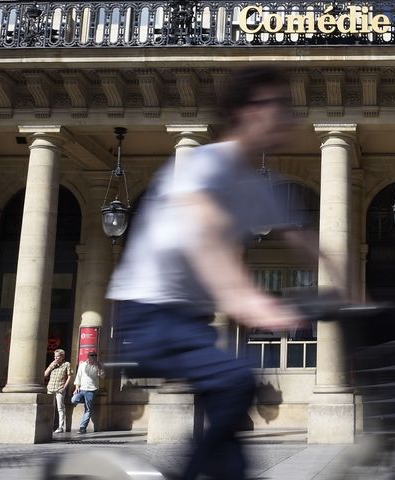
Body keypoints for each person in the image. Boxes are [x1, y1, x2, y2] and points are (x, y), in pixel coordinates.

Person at [106, 67, 312, 480]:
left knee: (231, 443)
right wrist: (242, 297)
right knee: (236, 380)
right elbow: (205, 230)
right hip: (150, 313)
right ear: (246, 110)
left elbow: (307, 241)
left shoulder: (256, 185)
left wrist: (360, 298)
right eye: (277, 105)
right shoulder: (206, 163)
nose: (286, 116)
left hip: (189, 321)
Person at [72, 352, 104, 434]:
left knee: (88, 409)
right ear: (88, 357)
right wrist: (76, 387)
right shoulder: (82, 365)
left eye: (95, 356)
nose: (93, 357)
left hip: (91, 390)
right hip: (82, 389)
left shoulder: (98, 366)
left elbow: (103, 376)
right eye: (92, 355)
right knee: (74, 399)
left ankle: (82, 428)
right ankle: (85, 401)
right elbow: (78, 376)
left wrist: (99, 367)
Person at [44, 348, 72, 434]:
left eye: (57, 357)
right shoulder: (52, 364)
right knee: (51, 407)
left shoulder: (66, 364)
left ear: (62, 357)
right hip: (50, 388)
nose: (55, 358)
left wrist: (64, 387)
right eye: (55, 356)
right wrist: (50, 366)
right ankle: (50, 425)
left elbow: (69, 376)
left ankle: (61, 426)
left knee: (60, 407)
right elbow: (45, 375)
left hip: (59, 388)